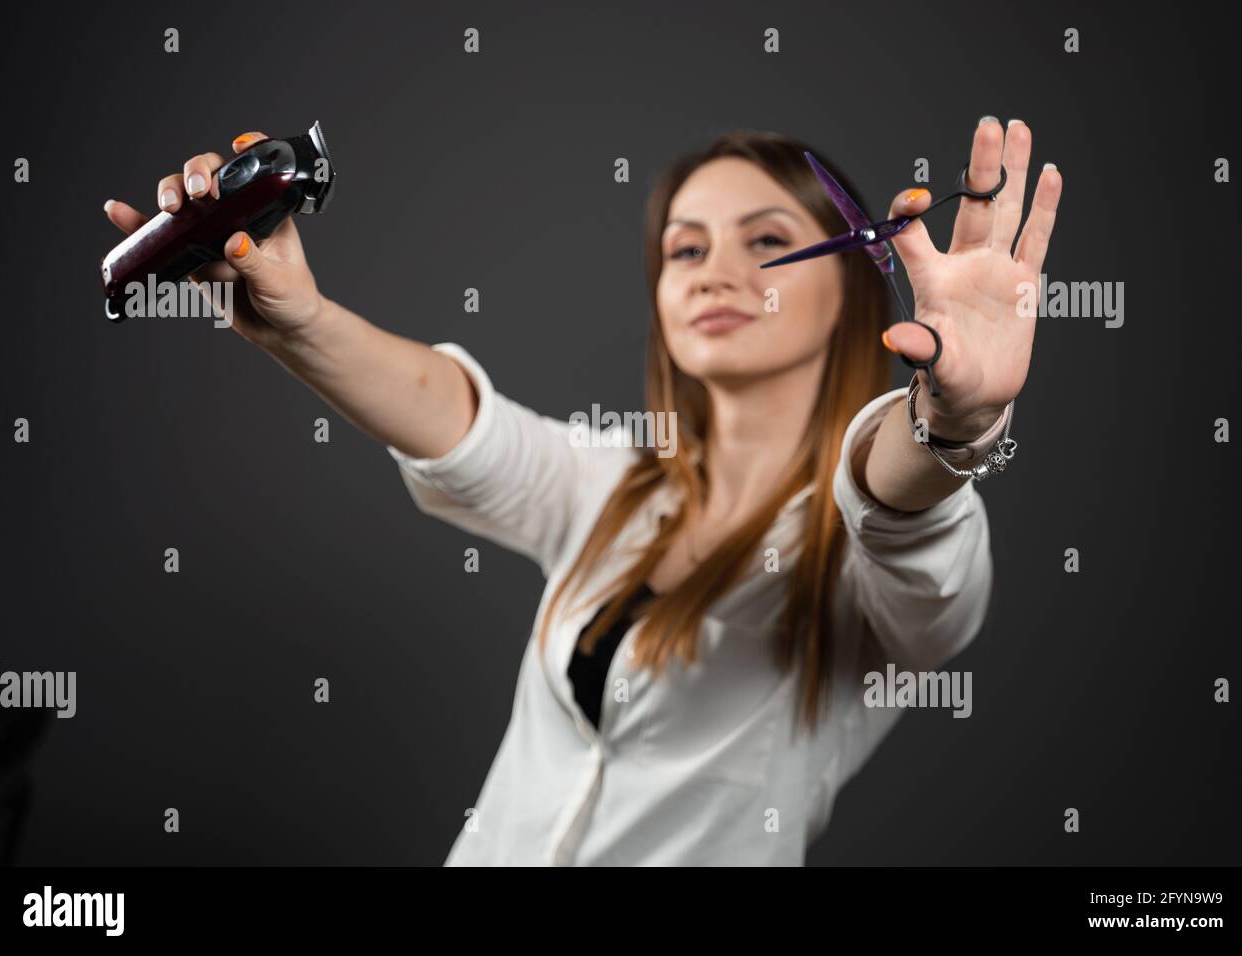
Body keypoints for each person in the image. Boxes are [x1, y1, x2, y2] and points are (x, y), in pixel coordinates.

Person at [101, 117, 1062, 865]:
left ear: (854, 283)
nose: (714, 272)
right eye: (685, 249)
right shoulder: (615, 486)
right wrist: (300, 321)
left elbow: (908, 519)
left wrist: (955, 419)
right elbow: (462, 422)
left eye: (765, 240)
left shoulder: (860, 559)